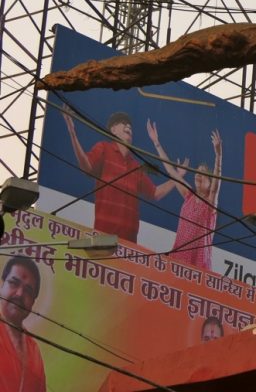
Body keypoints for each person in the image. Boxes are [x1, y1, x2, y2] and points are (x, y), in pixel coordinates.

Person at [64, 111, 178, 243]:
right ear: (113, 130)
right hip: (103, 240)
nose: (128, 127)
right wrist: (72, 133)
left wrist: (177, 178)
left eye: (130, 125)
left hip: (129, 246)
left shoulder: (136, 167)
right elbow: (86, 166)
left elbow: (155, 193)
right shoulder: (104, 149)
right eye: (123, 124)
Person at [147, 122, 223, 270]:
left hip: (199, 268)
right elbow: (171, 171)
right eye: (197, 172)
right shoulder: (188, 195)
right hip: (178, 261)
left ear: (210, 182)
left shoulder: (210, 204)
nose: (198, 175)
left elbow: (216, 186)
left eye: (203, 174)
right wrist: (156, 143)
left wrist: (218, 155)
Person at [0, 256, 46, 392]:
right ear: (2, 286)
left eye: (28, 290)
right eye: (14, 283)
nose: (19, 294)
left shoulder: (34, 350)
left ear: (33, 302)